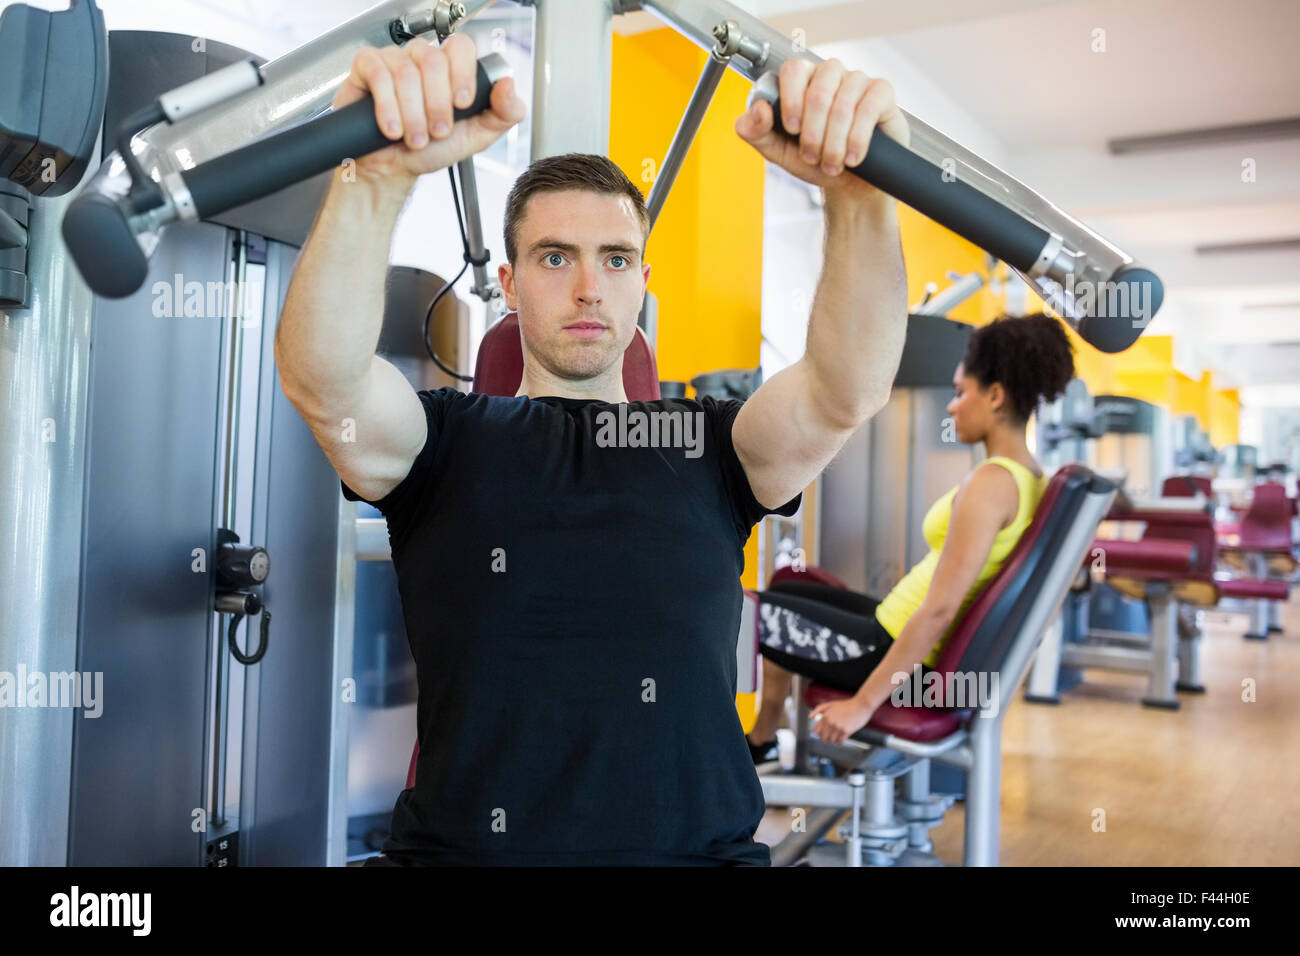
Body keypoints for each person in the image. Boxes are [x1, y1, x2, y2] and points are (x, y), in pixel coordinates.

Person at [274, 34, 911, 864]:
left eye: (615, 259)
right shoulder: (442, 443)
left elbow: (844, 389)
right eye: (554, 257)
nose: (588, 287)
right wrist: (374, 178)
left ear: (643, 280)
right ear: (507, 285)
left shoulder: (714, 447)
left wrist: (859, 201)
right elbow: (324, 381)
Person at [745, 313, 1076, 756]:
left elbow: (939, 610)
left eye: (961, 393)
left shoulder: (992, 484)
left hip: (886, 650)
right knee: (788, 581)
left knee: (740, 616)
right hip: (887, 624)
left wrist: (862, 705)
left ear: (995, 397)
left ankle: (726, 762)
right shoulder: (1031, 477)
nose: (951, 406)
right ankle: (763, 736)